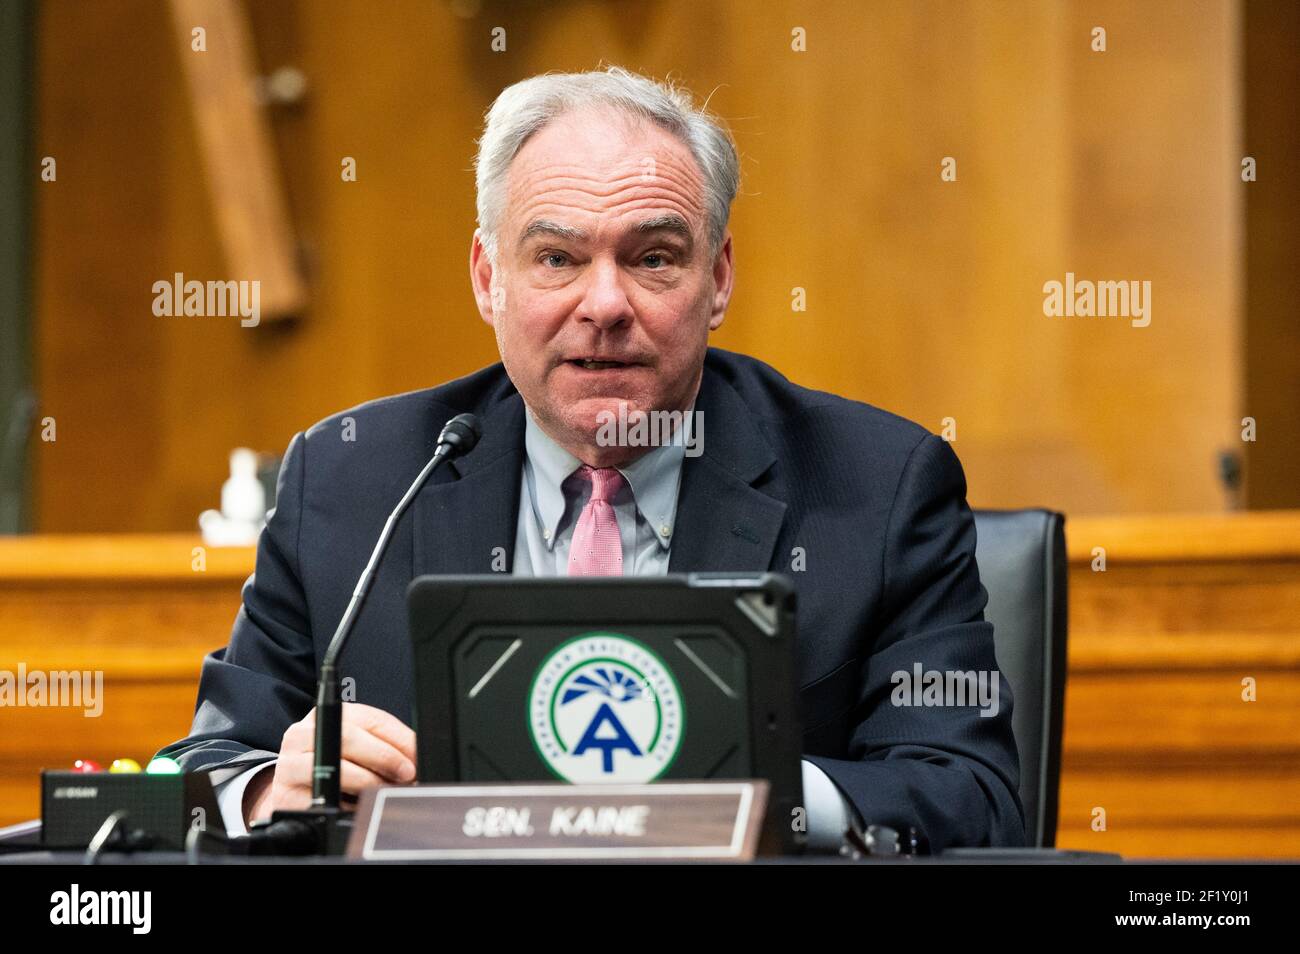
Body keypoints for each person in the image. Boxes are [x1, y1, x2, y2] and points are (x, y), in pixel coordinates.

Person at [157, 66, 1025, 853]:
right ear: (488, 277)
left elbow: (975, 796)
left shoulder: (876, 487)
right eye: (558, 258)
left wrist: (757, 793)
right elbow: (188, 777)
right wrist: (268, 785)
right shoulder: (351, 482)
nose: (604, 304)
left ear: (717, 279)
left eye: (653, 258)